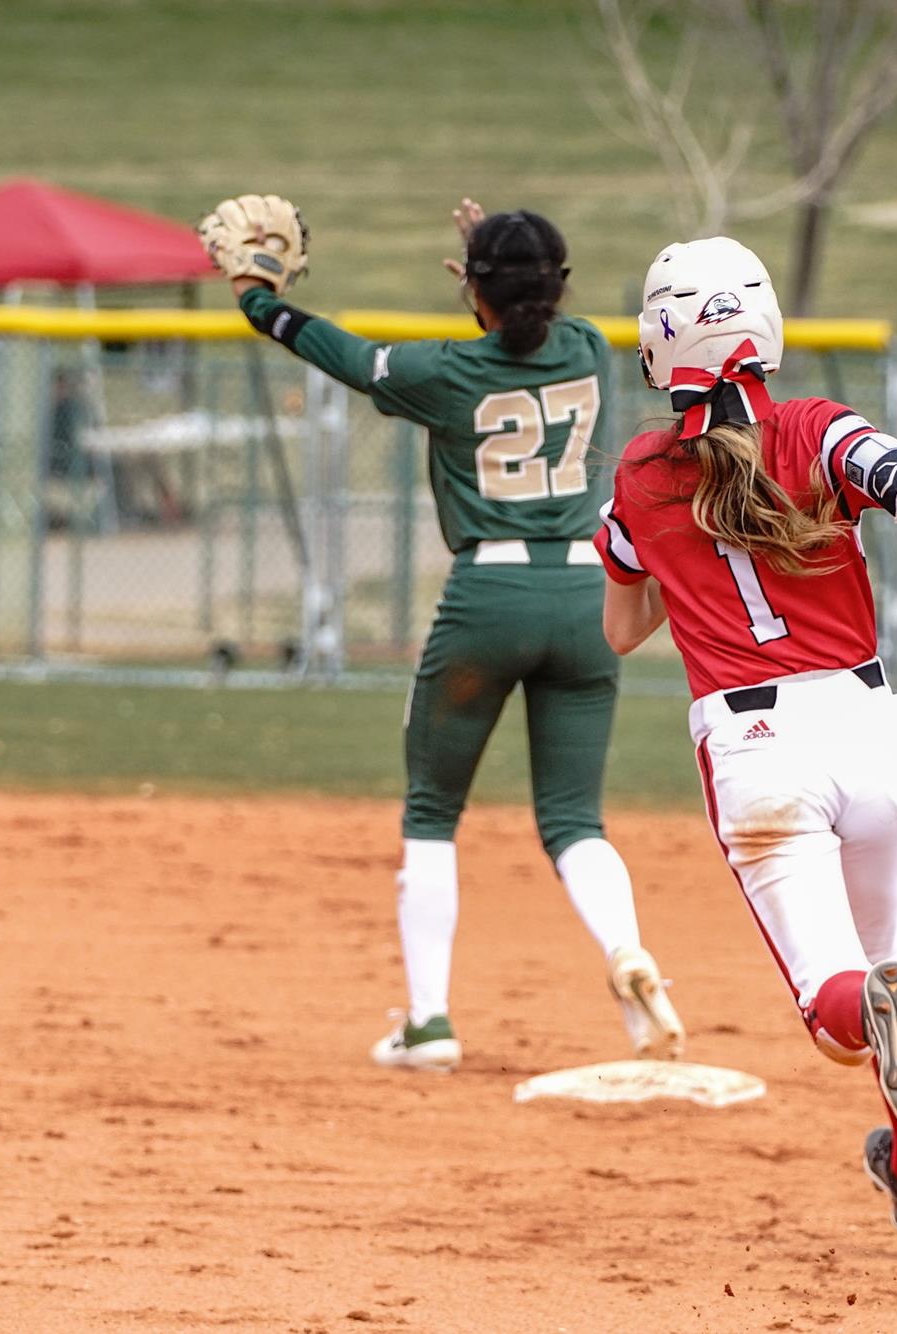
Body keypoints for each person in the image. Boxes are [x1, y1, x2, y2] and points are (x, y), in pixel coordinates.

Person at [595, 237, 897, 1245]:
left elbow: (619, 628)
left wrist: (683, 559)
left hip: (757, 748)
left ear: (661, 350)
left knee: (835, 1002)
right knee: (893, 962)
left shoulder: (640, 470)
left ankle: (866, 1017)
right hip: (872, 726)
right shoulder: (812, 426)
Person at [199, 192, 684, 1073]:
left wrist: (258, 298)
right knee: (574, 818)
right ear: (558, 287)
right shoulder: (589, 350)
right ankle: (629, 954)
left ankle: (429, 1023)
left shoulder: (448, 374)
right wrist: (496, 269)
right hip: (584, 598)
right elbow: (531, 315)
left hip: (488, 600)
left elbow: (343, 355)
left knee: (432, 813)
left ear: (476, 292)